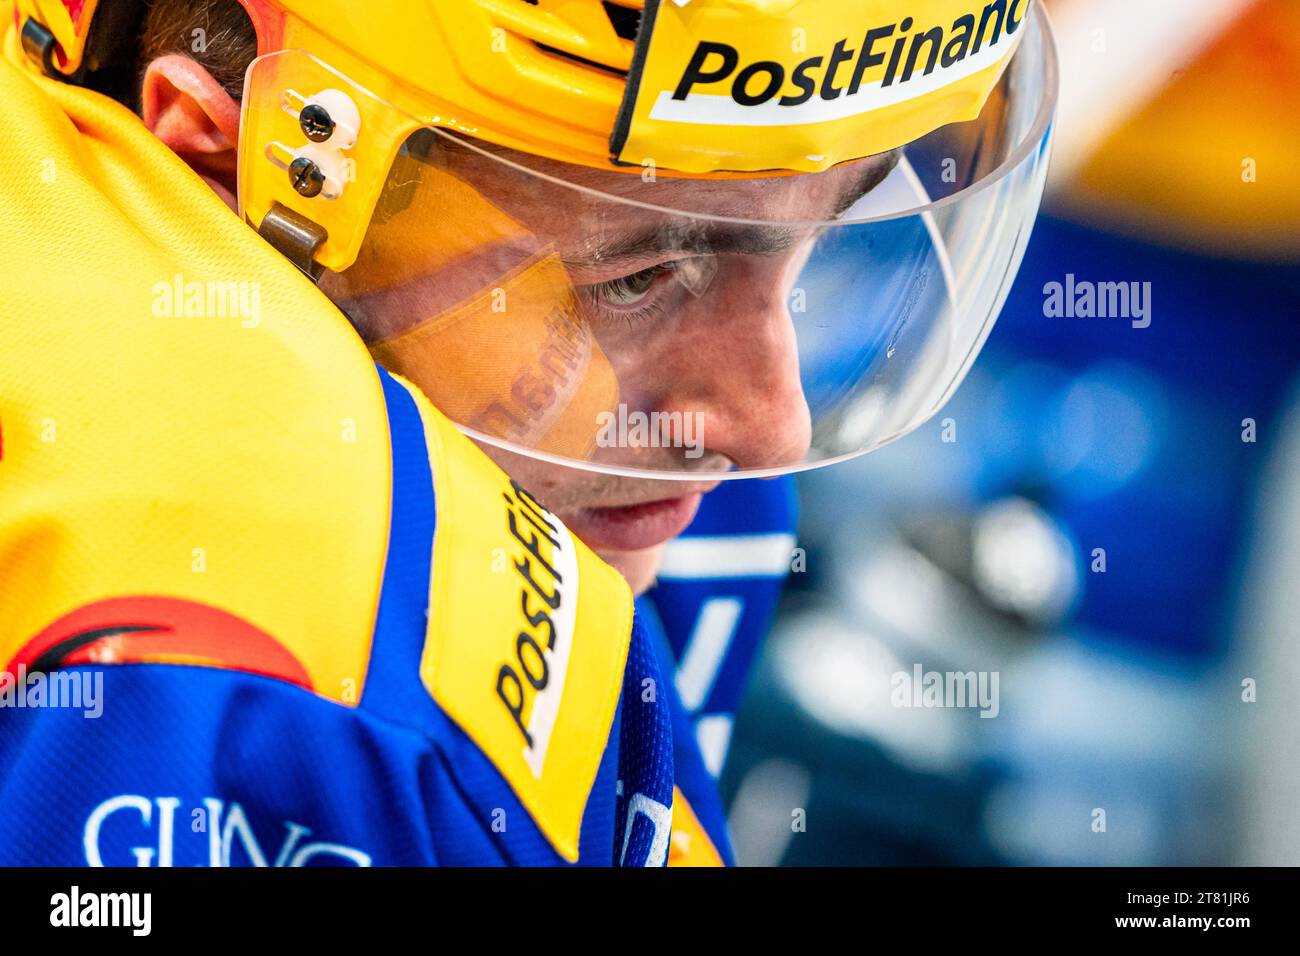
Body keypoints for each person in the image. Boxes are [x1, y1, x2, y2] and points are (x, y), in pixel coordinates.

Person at [0, 0, 1055, 865]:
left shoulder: (606, 464)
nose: (764, 429)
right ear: (223, 169)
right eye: (634, 278)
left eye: (812, 242)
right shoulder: (265, 681)